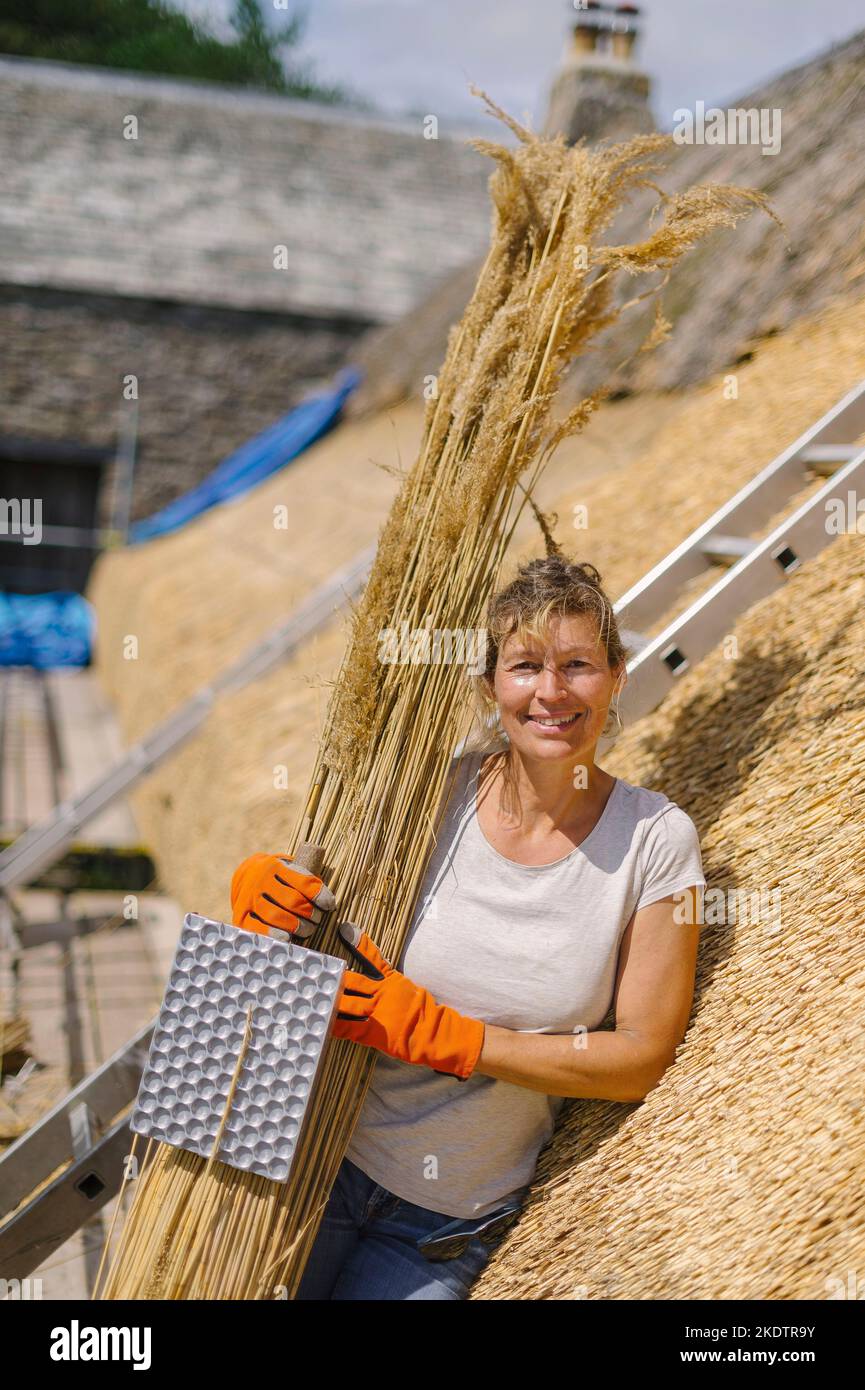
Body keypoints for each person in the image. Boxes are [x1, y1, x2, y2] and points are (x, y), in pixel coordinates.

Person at [230, 553, 707, 1300]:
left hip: (442, 1223)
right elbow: (313, 917)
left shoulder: (654, 839)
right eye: (524, 667)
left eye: (577, 664)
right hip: (307, 1163)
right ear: (490, 684)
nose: (550, 691)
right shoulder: (430, 798)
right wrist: (261, 888)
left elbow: (641, 1058)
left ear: (615, 675)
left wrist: (457, 1041)